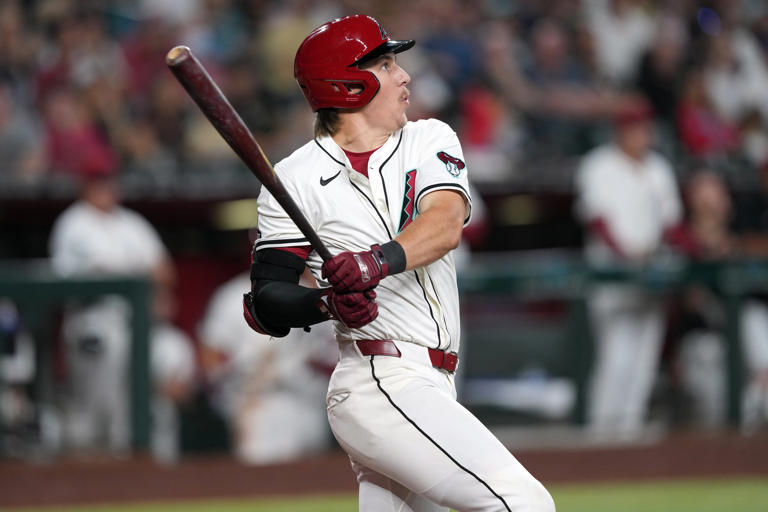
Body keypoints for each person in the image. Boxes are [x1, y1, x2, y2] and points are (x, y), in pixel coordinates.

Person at [242, 15, 554, 511]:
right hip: (378, 379)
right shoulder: (293, 178)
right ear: (348, 84)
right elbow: (266, 300)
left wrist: (373, 263)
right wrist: (327, 305)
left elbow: (445, 223)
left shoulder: (429, 138)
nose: (404, 76)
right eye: (387, 65)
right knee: (521, 502)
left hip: (433, 382)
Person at [49, 163, 193, 459]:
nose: (106, 188)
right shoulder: (73, 224)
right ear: (85, 187)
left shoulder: (132, 223)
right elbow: (66, 283)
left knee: (163, 367)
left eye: (109, 181)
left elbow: (165, 272)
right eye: (98, 182)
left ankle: (151, 469)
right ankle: (99, 480)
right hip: (95, 324)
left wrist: (152, 291)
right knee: (97, 413)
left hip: (139, 325)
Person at [574, 98, 696, 439]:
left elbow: (672, 222)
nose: (641, 133)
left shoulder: (658, 167)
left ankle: (629, 432)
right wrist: (630, 256)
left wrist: (663, 251)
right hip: (610, 277)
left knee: (643, 358)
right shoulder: (597, 166)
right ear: (620, 131)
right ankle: (602, 432)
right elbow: (598, 221)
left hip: (651, 275)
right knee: (617, 355)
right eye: (634, 127)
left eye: (645, 126)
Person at [198, 269, 335, 465]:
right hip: (259, 402)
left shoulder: (312, 292)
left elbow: (333, 352)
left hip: (307, 400)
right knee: (263, 476)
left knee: (310, 477)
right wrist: (232, 387)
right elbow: (210, 358)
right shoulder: (232, 294)